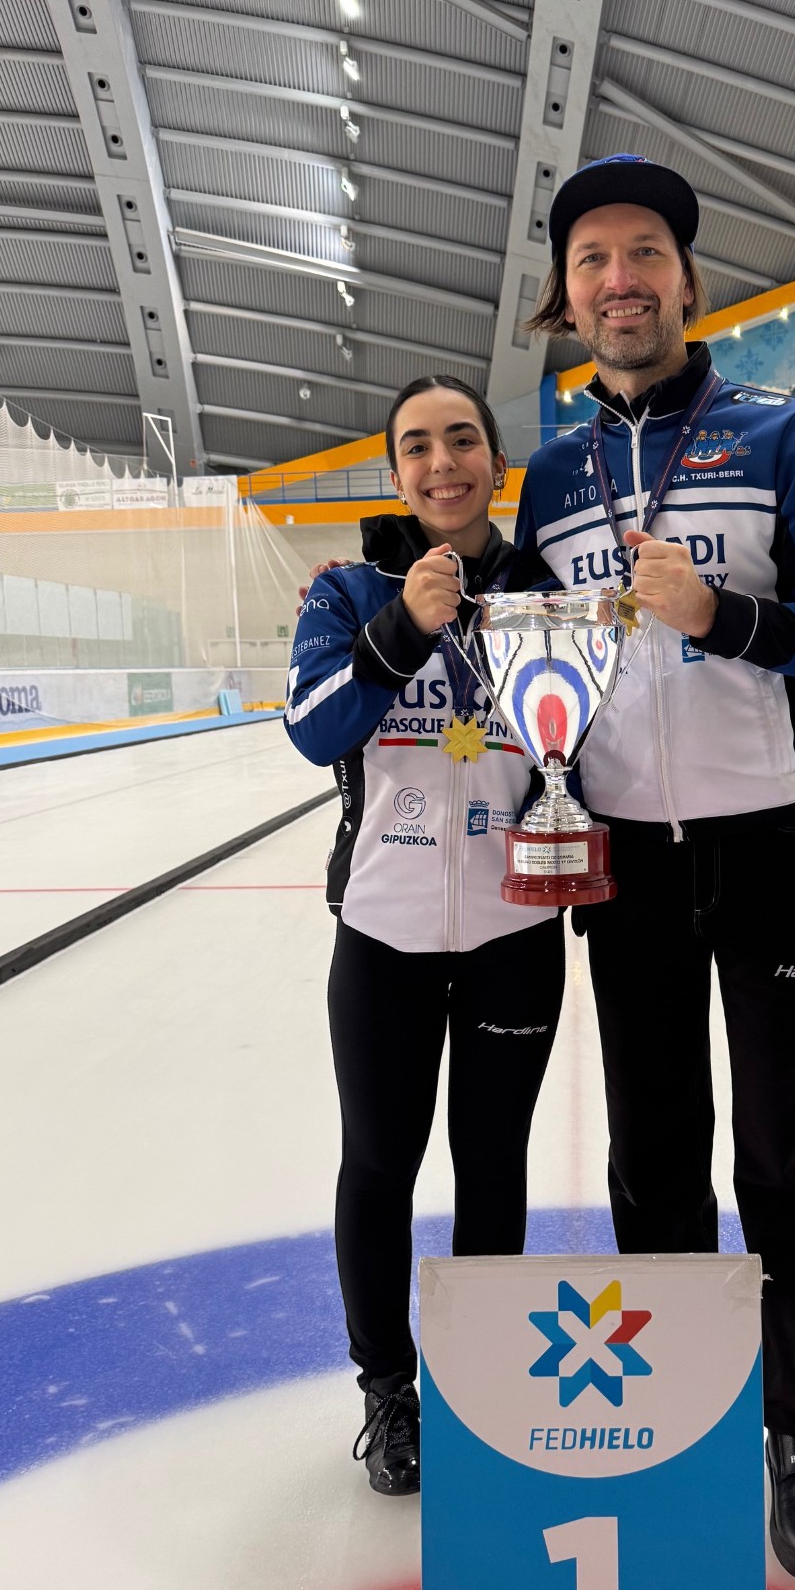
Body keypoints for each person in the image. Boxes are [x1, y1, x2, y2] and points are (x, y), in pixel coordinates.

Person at [514, 156, 795, 1582]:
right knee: (654, 1152)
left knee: (786, 1146)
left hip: (776, 840)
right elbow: (520, 649)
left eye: (646, 252)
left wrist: (722, 615)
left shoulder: (781, 434)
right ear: (568, 296)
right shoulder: (548, 480)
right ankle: (673, 1414)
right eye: (595, 258)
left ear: (688, 279)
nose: (622, 279)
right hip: (629, 866)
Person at [284, 377, 565, 1496]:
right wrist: (406, 626)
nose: (442, 462)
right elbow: (312, 729)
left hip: (515, 927)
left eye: (462, 441)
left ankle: (482, 1378)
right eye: (417, 446)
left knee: (493, 1163)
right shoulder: (347, 590)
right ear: (395, 470)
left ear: (495, 464)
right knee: (380, 1166)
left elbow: (596, 734)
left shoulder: (545, 596)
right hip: (385, 934)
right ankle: (389, 1390)